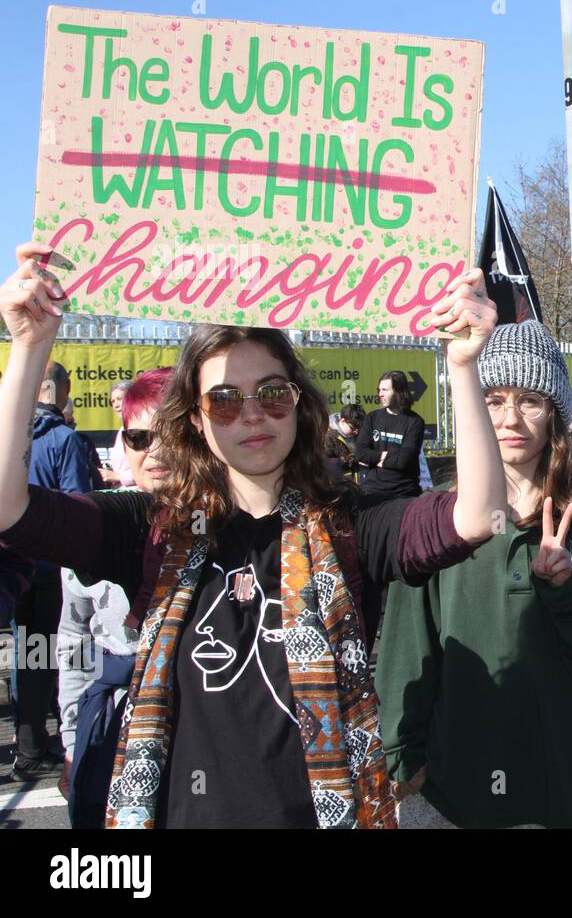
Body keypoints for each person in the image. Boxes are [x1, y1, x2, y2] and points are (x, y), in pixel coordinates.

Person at [0, 240, 506, 828]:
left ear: (298, 403)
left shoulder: (351, 523)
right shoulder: (151, 527)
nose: (251, 415)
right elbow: (10, 508)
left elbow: (475, 516)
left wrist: (464, 366)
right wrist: (31, 346)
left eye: (271, 393)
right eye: (223, 400)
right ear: (194, 418)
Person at [377, 319, 572, 828]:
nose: (510, 417)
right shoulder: (438, 521)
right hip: (458, 788)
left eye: (529, 400)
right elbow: (407, 647)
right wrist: (403, 754)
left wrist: (566, 592)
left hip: (563, 786)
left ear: (555, 413)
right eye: (493, 399)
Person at [56, 368, 171, 828]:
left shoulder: (231, 530)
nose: (156, 451)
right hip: (109, 719)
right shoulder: (99, 525)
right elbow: (72, 640)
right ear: (124, 444)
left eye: (172, 435)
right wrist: (70, 741)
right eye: (140, 437)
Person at [10, 358, 91, 779]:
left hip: (15, 565)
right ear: (63, 388)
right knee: (67, 655)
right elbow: (79, 506)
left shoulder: (12, 437)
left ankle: (28, 744)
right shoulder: (63, 439)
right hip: (54, 569)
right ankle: (63, 737)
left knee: (30, 656)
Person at [355, 371, 426, 500]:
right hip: (372, 491)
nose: (380, 394)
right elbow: (360, 453)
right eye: (379, 390)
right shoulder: (372, 418)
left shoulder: (415, 421)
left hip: (404, 493)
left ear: (399, 392)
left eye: (385, 390)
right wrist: (384, 456)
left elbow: (404, 460)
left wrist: (376, 458)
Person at [105, 379, 135, 489]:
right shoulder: (122, 429)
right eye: (112, 401)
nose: (116, 405)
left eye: (119, 399)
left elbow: (151, 469)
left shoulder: (138, 429)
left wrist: (118, 476)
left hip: (137, 497)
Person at [326, 402, 365, 484]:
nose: (356, 432)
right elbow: (329, 464)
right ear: (342, 421)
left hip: (353, 484)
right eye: (353, 428)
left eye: (359, 428)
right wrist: (355, 459)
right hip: (337, 486)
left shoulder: (354, 434)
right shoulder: (328, 437)